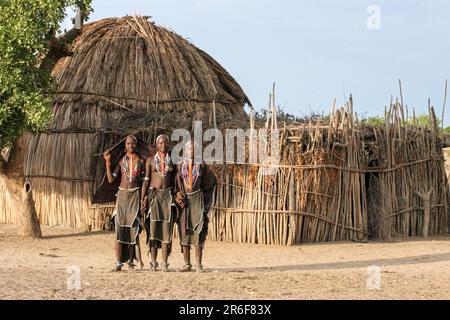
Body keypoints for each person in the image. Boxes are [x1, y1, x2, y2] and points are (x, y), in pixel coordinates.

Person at [104, 135, 145, 272]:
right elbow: (111, 180)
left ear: (136, 145)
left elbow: (145, 180)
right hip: (122, 196)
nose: (130, 146)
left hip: (134, 195)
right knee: (119, 229)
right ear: (125, 146)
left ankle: (131, 262)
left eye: (133, 143)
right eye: (128, 144)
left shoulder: (140, 161)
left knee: (133, 229)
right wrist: (108, 163)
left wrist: (143, 198)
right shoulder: (121, 162)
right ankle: (118, 262)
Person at [175, 140, 217, 272]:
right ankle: (187, 264)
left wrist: (204, 200)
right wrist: (178, 195)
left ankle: (198, 264)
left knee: (199, 230)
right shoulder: (180, 165)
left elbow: (210, 183)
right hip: (185, 202)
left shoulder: (202, 166)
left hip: (197, 200)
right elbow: (175, 184)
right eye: (189, 149)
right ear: (185, 151)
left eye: (194, 149)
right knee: (184, 231)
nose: (191, 151)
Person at [141, 134, 176, 272]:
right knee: (154, 230)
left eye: (165, 143)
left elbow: (175, 180)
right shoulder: (150, 160)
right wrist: (143, 198)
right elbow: (146, 181)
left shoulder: (172, 161)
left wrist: (177, 193)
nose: (163, 145)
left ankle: (165, 263)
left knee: (166, 230)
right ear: (156, 145)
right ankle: (153, 262)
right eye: (160, 143)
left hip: (167, 196)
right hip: (154, 195)